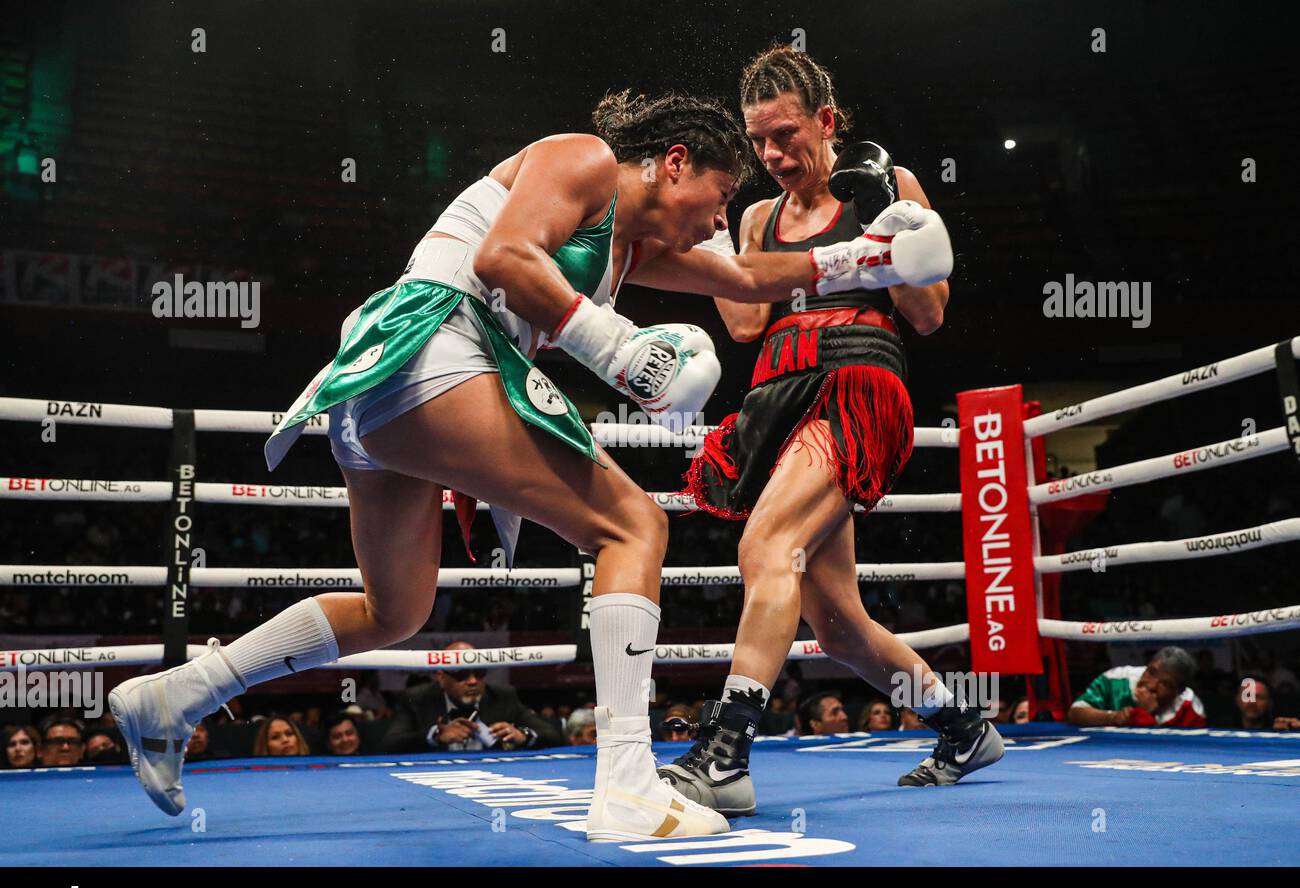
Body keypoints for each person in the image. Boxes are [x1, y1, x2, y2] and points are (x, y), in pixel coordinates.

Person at [109, 89, 949, 842]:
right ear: (675, 163)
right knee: (634, 524)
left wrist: (867, 260)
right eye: (720, 196)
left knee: (393, 608)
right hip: (430, 344)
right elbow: (502, 258)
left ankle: (173, 697)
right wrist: (613, 345)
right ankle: (626, 783)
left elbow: (744, 276)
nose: (719, 218)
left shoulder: (631, 246)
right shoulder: (578, 158)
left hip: (383, 386)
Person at [659, 46, 994, 818]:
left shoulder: (891, 182)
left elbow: (929, 313)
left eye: (785, 135)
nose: (773, 155)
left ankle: (727, 751)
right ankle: (963, 725)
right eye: (758, 142)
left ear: (826, 121)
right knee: (837, 622)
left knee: (765, 547)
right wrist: (709, 237)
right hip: (779, 396)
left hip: (853, 384)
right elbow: (745, 323)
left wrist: (882, 220)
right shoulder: (753, 216)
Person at [380, 641, 564, 753]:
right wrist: (435, 735)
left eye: (479, 672)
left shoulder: (502, 696)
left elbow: (554, 736)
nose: (473, 681)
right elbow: (389, 743)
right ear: (441, 677)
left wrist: (522, 735)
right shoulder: (419, 699)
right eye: (461, 674)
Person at [1067, 646, 1206, 728]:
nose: (1152, 685)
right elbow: (1075, 713)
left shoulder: (1191, 708)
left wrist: (1145, 715)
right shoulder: (1117, 679)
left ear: (1179, 692)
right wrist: (1112, 717)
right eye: (1151, 672)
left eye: (1165, 683)